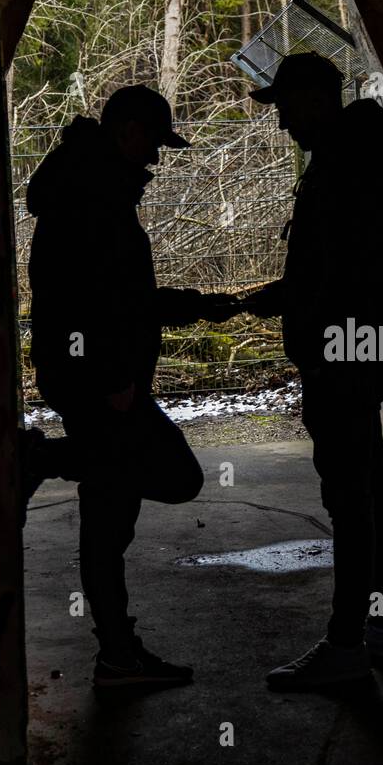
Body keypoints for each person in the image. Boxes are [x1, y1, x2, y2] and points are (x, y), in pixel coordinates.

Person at [20, 84, 235, 688]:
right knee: (172, 478)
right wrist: (113, 375)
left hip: (93, 377)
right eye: (153, 144)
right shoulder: (90, 193)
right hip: (100, 382)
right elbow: (84, 298)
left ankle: (117, 655)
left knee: (108, 515)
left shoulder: (89, 186)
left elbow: (121, 294)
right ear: (129, 130)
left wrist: (194, 307)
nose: (156, 160)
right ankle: (40, 455)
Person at [243, 53, 383, 691]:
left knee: (351, 501)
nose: (283, 122)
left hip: (340, 361)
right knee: (371, 491)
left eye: (288, 107)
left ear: (317, 99)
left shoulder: (341, 173)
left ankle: (347, 644)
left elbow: (337, 279)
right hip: (360, 351)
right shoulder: (357, 166)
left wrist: (318, 342)